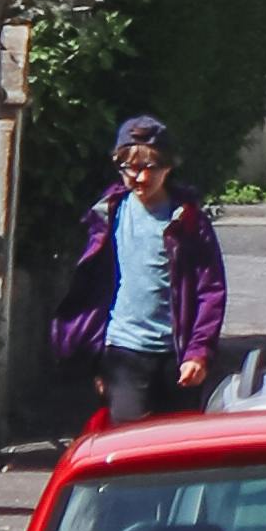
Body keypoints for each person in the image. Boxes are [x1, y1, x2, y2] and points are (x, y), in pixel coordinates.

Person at [49, 116, 228, 428]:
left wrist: (199, 352)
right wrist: (97, 361)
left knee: (177, 449)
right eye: (130, 167)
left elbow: (210, 290)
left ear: (168, 167)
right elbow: (91, 286)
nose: (140, 177)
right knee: (128, 444)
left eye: (151, 168)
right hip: (124, 351)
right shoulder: (108, 214)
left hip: (177, 356)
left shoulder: (188, 221)